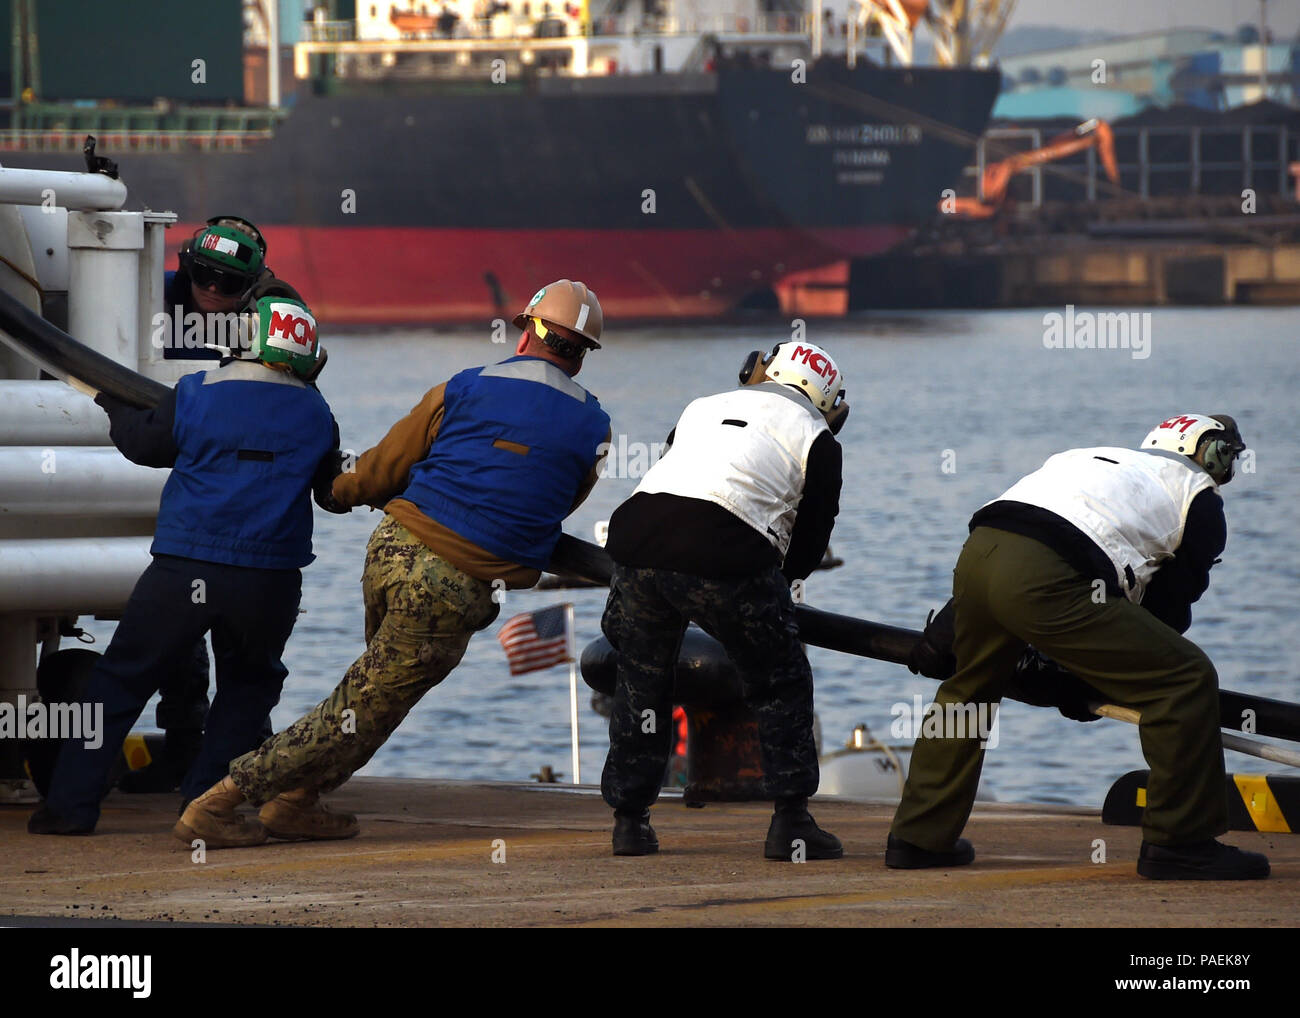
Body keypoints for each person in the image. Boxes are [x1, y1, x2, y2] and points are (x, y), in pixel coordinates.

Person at [176, 279, 611, 848]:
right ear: (580, 356)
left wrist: (339, 491)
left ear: (528, 329)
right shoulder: (594, 426)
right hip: (451, 586)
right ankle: (220, 801)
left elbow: (385, 466)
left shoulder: (465, 386)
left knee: (371, 697)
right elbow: (552, 507)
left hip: (392, 549)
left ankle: (297, 801)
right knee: (362, 704)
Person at [888, 413, 1269, 880]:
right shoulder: (1199, 499)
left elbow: (1017, 535)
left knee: (968, 690)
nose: (1226, 472)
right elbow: (1165, 616)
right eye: (1226, 458)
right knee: (1185, 678)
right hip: (1047, 572)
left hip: (980, 552)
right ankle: (1181, 842)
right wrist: (1086, 677)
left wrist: (944, 637)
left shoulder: (1095, 458)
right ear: (1207, 454)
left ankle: (918, 839)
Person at [28, 294, 343, 835]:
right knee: (248, 685)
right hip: (268, 578)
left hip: (183, 570)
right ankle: (203, 805)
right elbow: (327, 489)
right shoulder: (318, 414)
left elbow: (144, 446)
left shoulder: (199, 390)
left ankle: (69, 809)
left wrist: (116, 402)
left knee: (122, 679)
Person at [598, 341, 848, 860]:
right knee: (782, 679)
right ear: (829, 405)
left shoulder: (702, 406)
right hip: (725, 549)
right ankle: (791, 824)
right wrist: (773, 596)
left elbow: (678, 474)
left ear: (759, 371)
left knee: (641, 678)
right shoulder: (818, 438)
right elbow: (810, 540)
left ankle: (629, 822)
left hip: (637, 538)